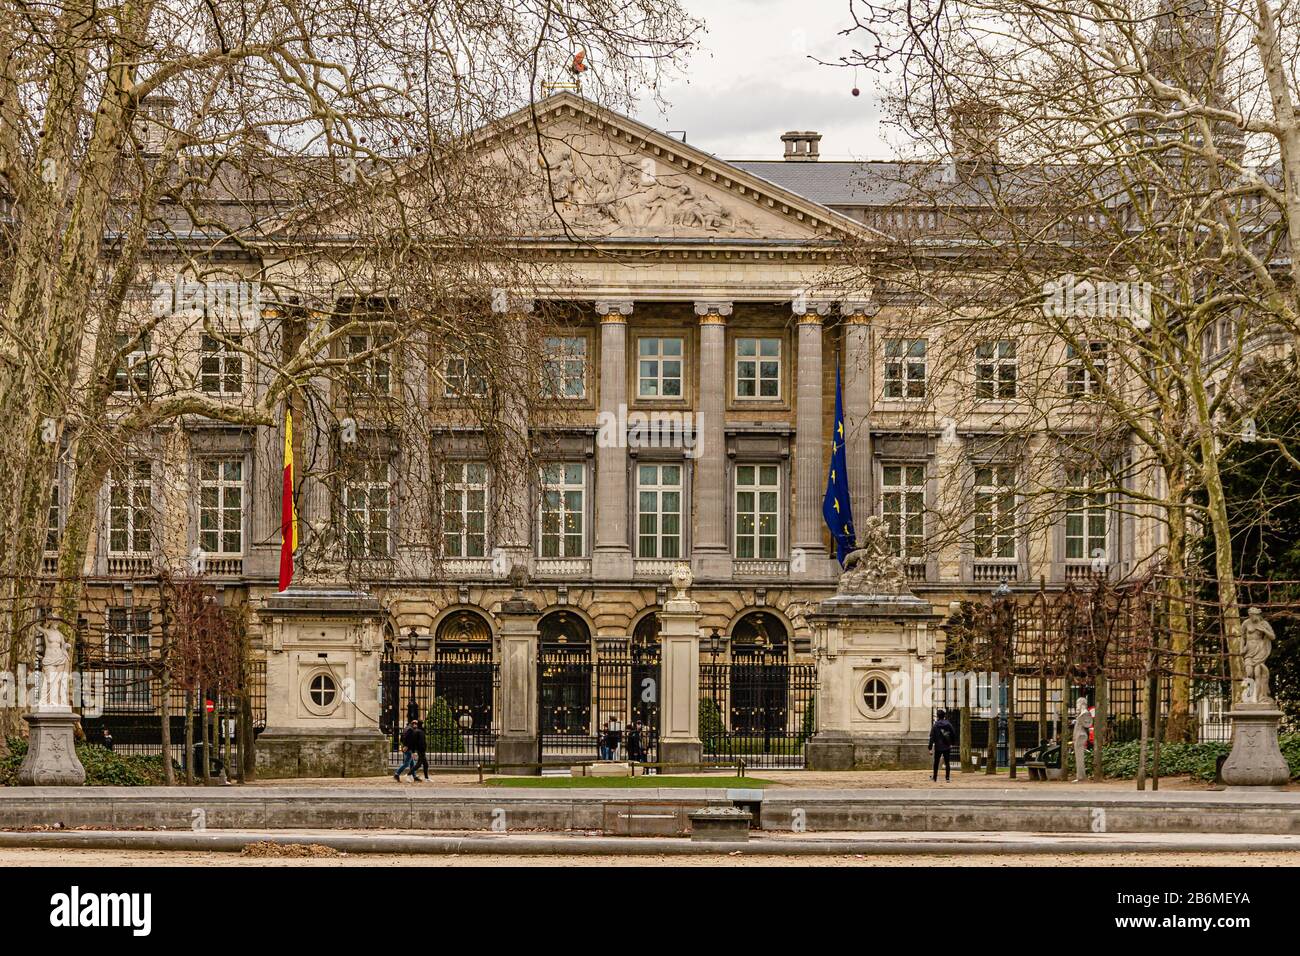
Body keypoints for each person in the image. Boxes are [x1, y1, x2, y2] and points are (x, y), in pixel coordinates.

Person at [928, 709, 956, 782]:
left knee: (936, 763)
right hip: (947, 746)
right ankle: (947, 778)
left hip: (938, 747)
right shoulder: (948, 724)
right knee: (947, 762)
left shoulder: (935, 725)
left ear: (937, 716)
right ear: (944, 716)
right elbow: (953, 734)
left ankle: (935, 778)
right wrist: (952, 743)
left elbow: (932, 737)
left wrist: (930, 748)